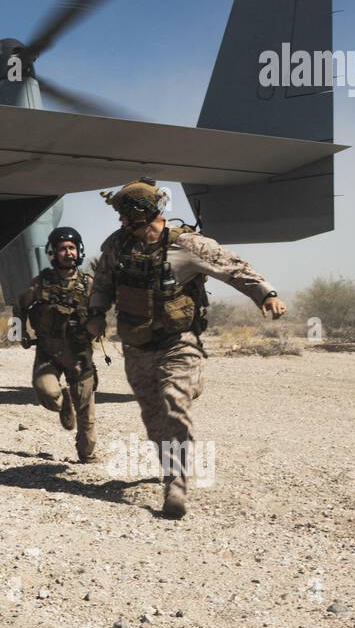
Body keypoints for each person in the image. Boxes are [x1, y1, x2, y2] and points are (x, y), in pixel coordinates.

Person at [85, 178, 286, 519]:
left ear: (142, 213)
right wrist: (95, 314)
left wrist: (265, 294)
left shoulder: (189, 245)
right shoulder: (117, 247)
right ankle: (169, 466)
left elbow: (234, 267)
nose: (120, 222)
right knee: (153, 417)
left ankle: (176, 483)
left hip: (179, 343)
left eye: (125, 214)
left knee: (173, 404)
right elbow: (103, 282)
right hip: (136, 347)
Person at [15, 226, 98, 462]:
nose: (68, 253)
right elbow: (19, 305)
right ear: (53, 252)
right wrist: (19, 334)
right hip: (48, 354)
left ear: (78, 251)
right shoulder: (39, 284)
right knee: (47, 393)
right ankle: (63, 404)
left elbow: (101, 312)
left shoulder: (89, 284)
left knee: (86, 416)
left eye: (72, 248)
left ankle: (86, 457)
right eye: (63, 248)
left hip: (80, 356)